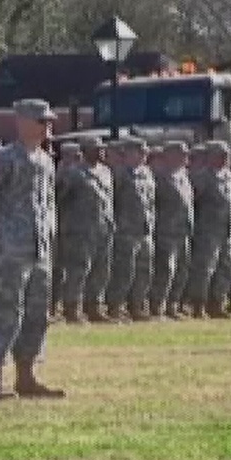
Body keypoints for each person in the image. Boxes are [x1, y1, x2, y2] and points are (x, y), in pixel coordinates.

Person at [0, 99, 63, 400]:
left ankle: (27, 377)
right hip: (8, 250)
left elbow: (48, 205)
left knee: (36, 313)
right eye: (41, 121)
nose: (47, 127)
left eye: (48, 121)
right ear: (23, 122)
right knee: (5, 312)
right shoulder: (4, 159)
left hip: (38, 248)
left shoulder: (44, 160)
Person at [57, 136, 114, 323]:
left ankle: (94, 307)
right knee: (79, 270)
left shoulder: (106, 172)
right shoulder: (73, 173)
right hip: (79, 230)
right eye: (96, 149)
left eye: (102, 148)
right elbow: (59, 198)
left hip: (103, 228)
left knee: (101, 270)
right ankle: (72, 308)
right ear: (85, 151)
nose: (101, 152)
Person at [187, 140, 231, 318]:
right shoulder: (201, 177)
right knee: (204, 269)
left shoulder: (230, 176)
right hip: (207, 231)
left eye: (226, 155)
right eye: (220, 155)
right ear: (209, 157)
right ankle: (198, 305)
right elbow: (192, 202)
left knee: (224, 268)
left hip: (227, 230)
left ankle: (217, 304)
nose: (224, 158)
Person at [106, 137, 156, 322]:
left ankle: (137, 306)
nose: (144, 155)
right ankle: (115, 307)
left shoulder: (147, 174)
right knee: (124, 271)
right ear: (127, 153)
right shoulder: (118, 174)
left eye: (145, 152)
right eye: (140, 152)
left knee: (144, 270)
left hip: (144, 229)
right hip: (125, 230)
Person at [149, 141, 194, 319]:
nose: (185, 158)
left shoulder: (184, 176)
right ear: (169, 156)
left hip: (183, 231)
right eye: (181, 154)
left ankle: (172, 305)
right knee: (166, 270)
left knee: (182, 270)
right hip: (165, 230)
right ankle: (157, 305)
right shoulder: (158, 177)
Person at [52, 142, 82, 318]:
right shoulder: (61, 174)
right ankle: (54, 306)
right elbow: (58, 198)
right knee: (59, 270)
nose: (77, 157)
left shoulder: (76, 173)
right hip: (64, 229)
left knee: (75, 269)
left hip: (78, 228)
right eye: (73, 155)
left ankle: (72, 306)